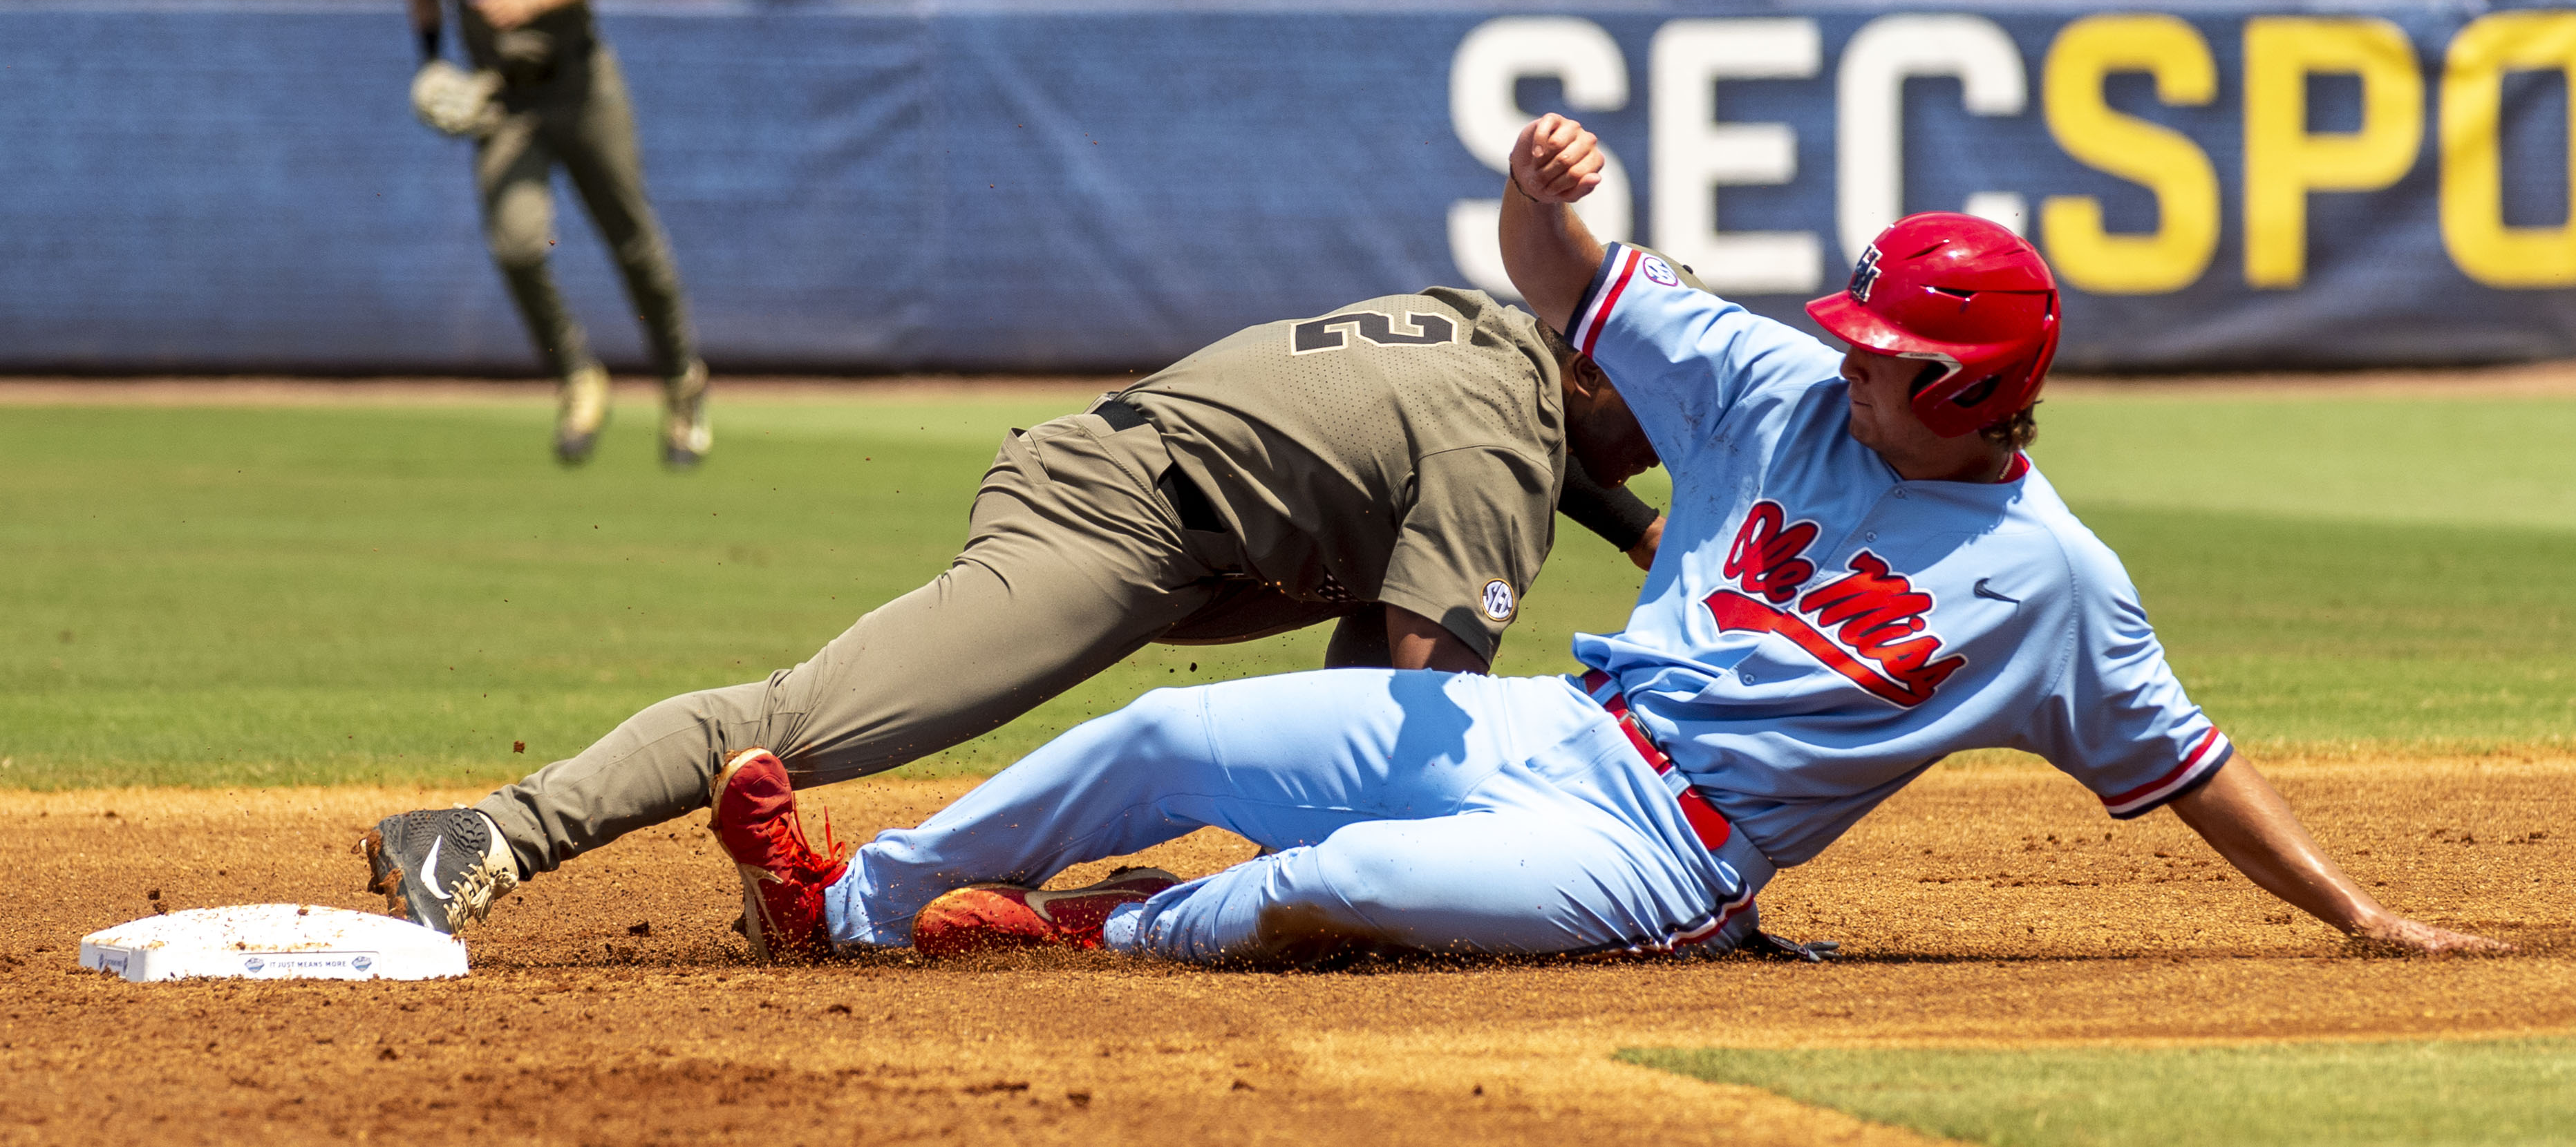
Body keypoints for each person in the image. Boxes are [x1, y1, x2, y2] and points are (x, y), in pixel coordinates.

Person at [693, 111, 2513, 967]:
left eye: (1885, 354)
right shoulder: (1766, 384)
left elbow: (2186, 762)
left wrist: (2357, 913)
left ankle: (1083, 940)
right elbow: (1563, 280)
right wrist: (1532, 196)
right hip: (1554, 731)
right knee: (1161, 738)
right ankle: (846, 906)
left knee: (1321, 889)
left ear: (1973, 399)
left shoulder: (2050, 587)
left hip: (1667, 861)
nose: (1843, 356)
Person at [359, 282, 1668, 945]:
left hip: (1175, 504)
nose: (1665, 433)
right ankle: (482, 833)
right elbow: (1426, 692)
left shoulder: (1483, 330)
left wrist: (1633, 522)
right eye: (1652, 408)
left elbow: (1533, 440)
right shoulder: (1504, 447)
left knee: (1367, 651)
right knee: (807, 715)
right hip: (1114, 524)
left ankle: (1174, 890)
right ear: (1588, 376)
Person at [399, 0, 710, 466]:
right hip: (504, 98)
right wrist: (428, 63)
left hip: (579, 83)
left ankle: (680, 382)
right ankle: (578, 376)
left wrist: (532, 3)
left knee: (632, 242)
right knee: (515, 242)